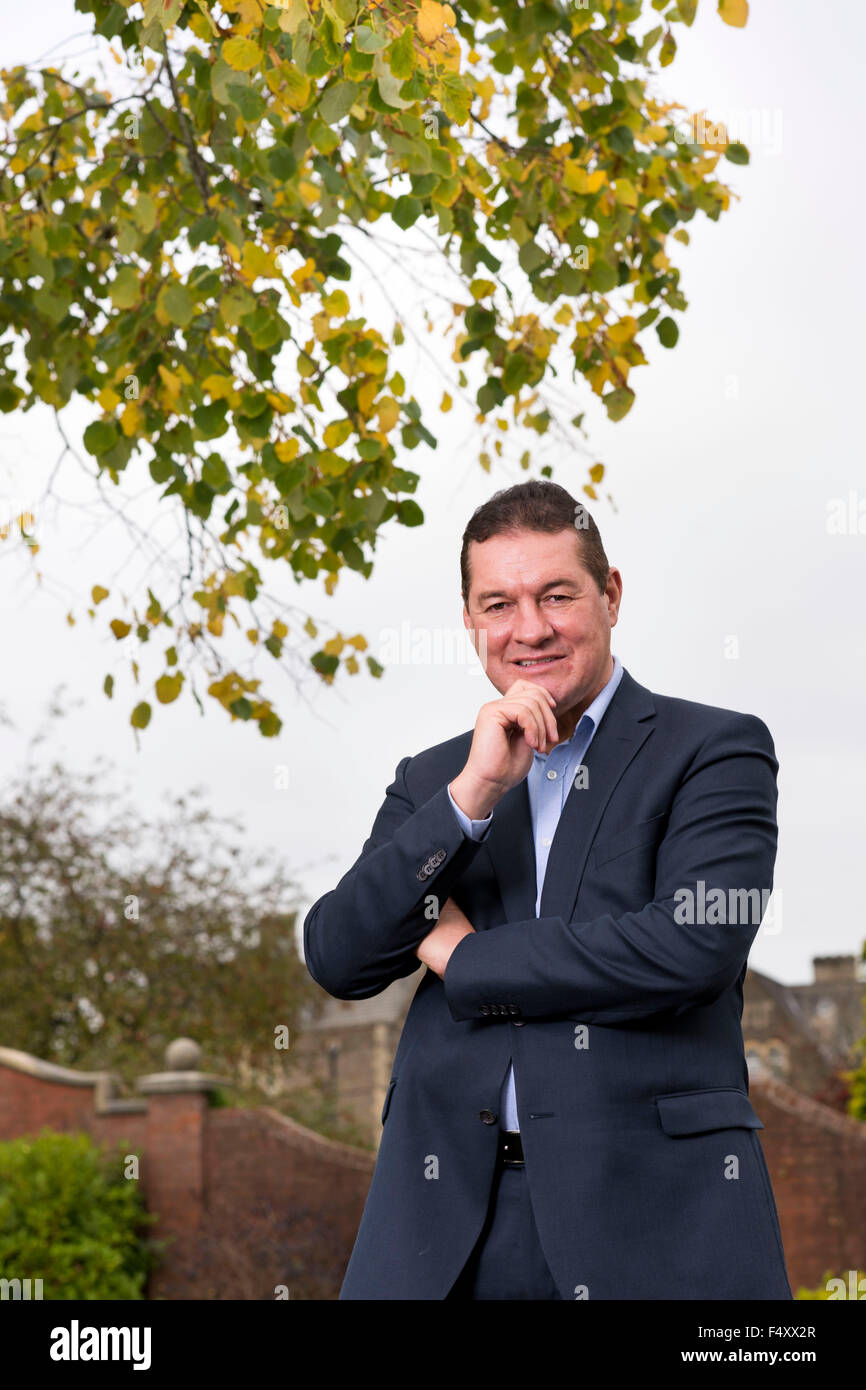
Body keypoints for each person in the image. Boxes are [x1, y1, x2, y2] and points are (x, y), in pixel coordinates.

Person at [303, 480, 792, 1300]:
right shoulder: (438, 779)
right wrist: (471, 800)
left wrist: (467, 959)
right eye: (498, 604)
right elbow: (339, 954)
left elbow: (689, 948)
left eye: (556, 595)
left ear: (610, 594)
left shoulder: (714, 749)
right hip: (442, 1232)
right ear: (469, 620)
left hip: (655, 1219)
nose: (529, 629)